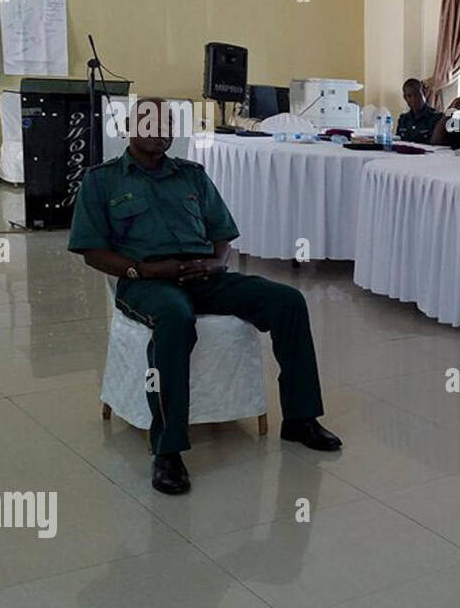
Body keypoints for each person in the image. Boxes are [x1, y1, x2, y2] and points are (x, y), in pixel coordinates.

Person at [68, 98, 341, 496]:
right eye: (149, 123)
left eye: (166, 124)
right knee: (175, 319)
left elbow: (223, 234)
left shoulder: (192, 175)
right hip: (146, 282)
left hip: (203, 275)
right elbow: (91, 251)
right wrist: (142, 270)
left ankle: (300, 418)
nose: (159, 131)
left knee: (288, 302)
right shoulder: (102, 180)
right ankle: (168, 450)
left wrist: (215, 263)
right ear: (129, 127)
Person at [395, 78, 444, 144]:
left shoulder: (436, 118)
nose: (414, 99)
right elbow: (398, 142)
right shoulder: (403, 120)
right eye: (409, 96)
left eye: (417, 95)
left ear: (424, 93)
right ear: (405, 98)